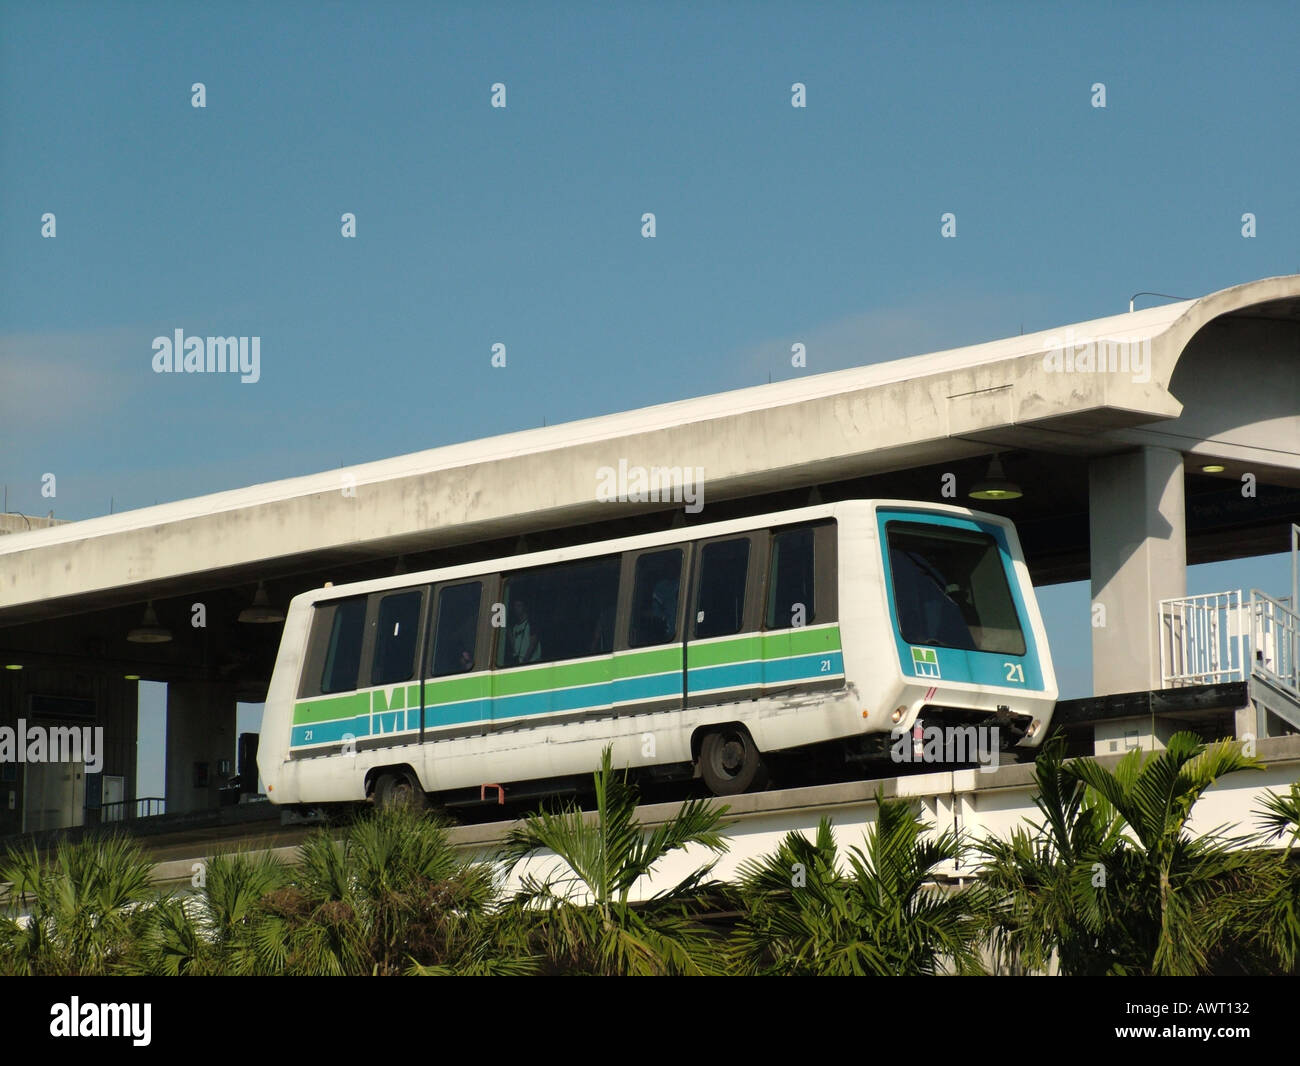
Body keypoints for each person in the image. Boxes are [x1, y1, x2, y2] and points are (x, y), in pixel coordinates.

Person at [507, 599, 541, 664]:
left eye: (519, 606)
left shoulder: (531, 623)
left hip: (531, 663)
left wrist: (525, 661)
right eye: (515, 606)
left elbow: (533, 644)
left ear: (525, 607)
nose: (516, 608)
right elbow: (515, 647)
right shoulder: (515, 627)